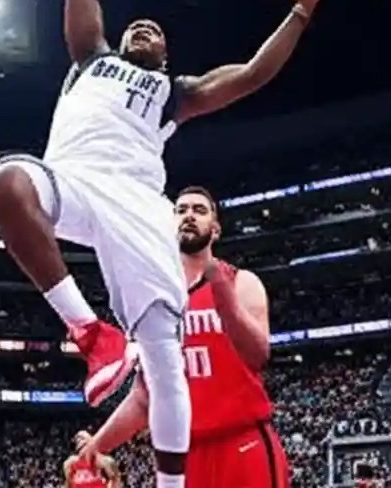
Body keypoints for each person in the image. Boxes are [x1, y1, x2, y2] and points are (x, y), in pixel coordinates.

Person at [0, 0, 328, 488]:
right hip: (74, 181)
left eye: (156, 32)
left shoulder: (174, 93)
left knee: (165, 361)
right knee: (5, 184)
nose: (144, 28)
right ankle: (90, 332)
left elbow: (252, 74)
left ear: (165, 58)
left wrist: (302, 10)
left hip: (140, 207)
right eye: (136, 26)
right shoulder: (89, 59)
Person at [78, 185, 290, 488]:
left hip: (242, 442)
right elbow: (144, 398)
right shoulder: (153, 303)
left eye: (199, 210)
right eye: (181, 210)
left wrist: (224, 297)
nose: (189, 215)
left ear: (215, 230)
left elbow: (258, 355)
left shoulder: (242, 282)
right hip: (184, 455)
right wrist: (96, 446)